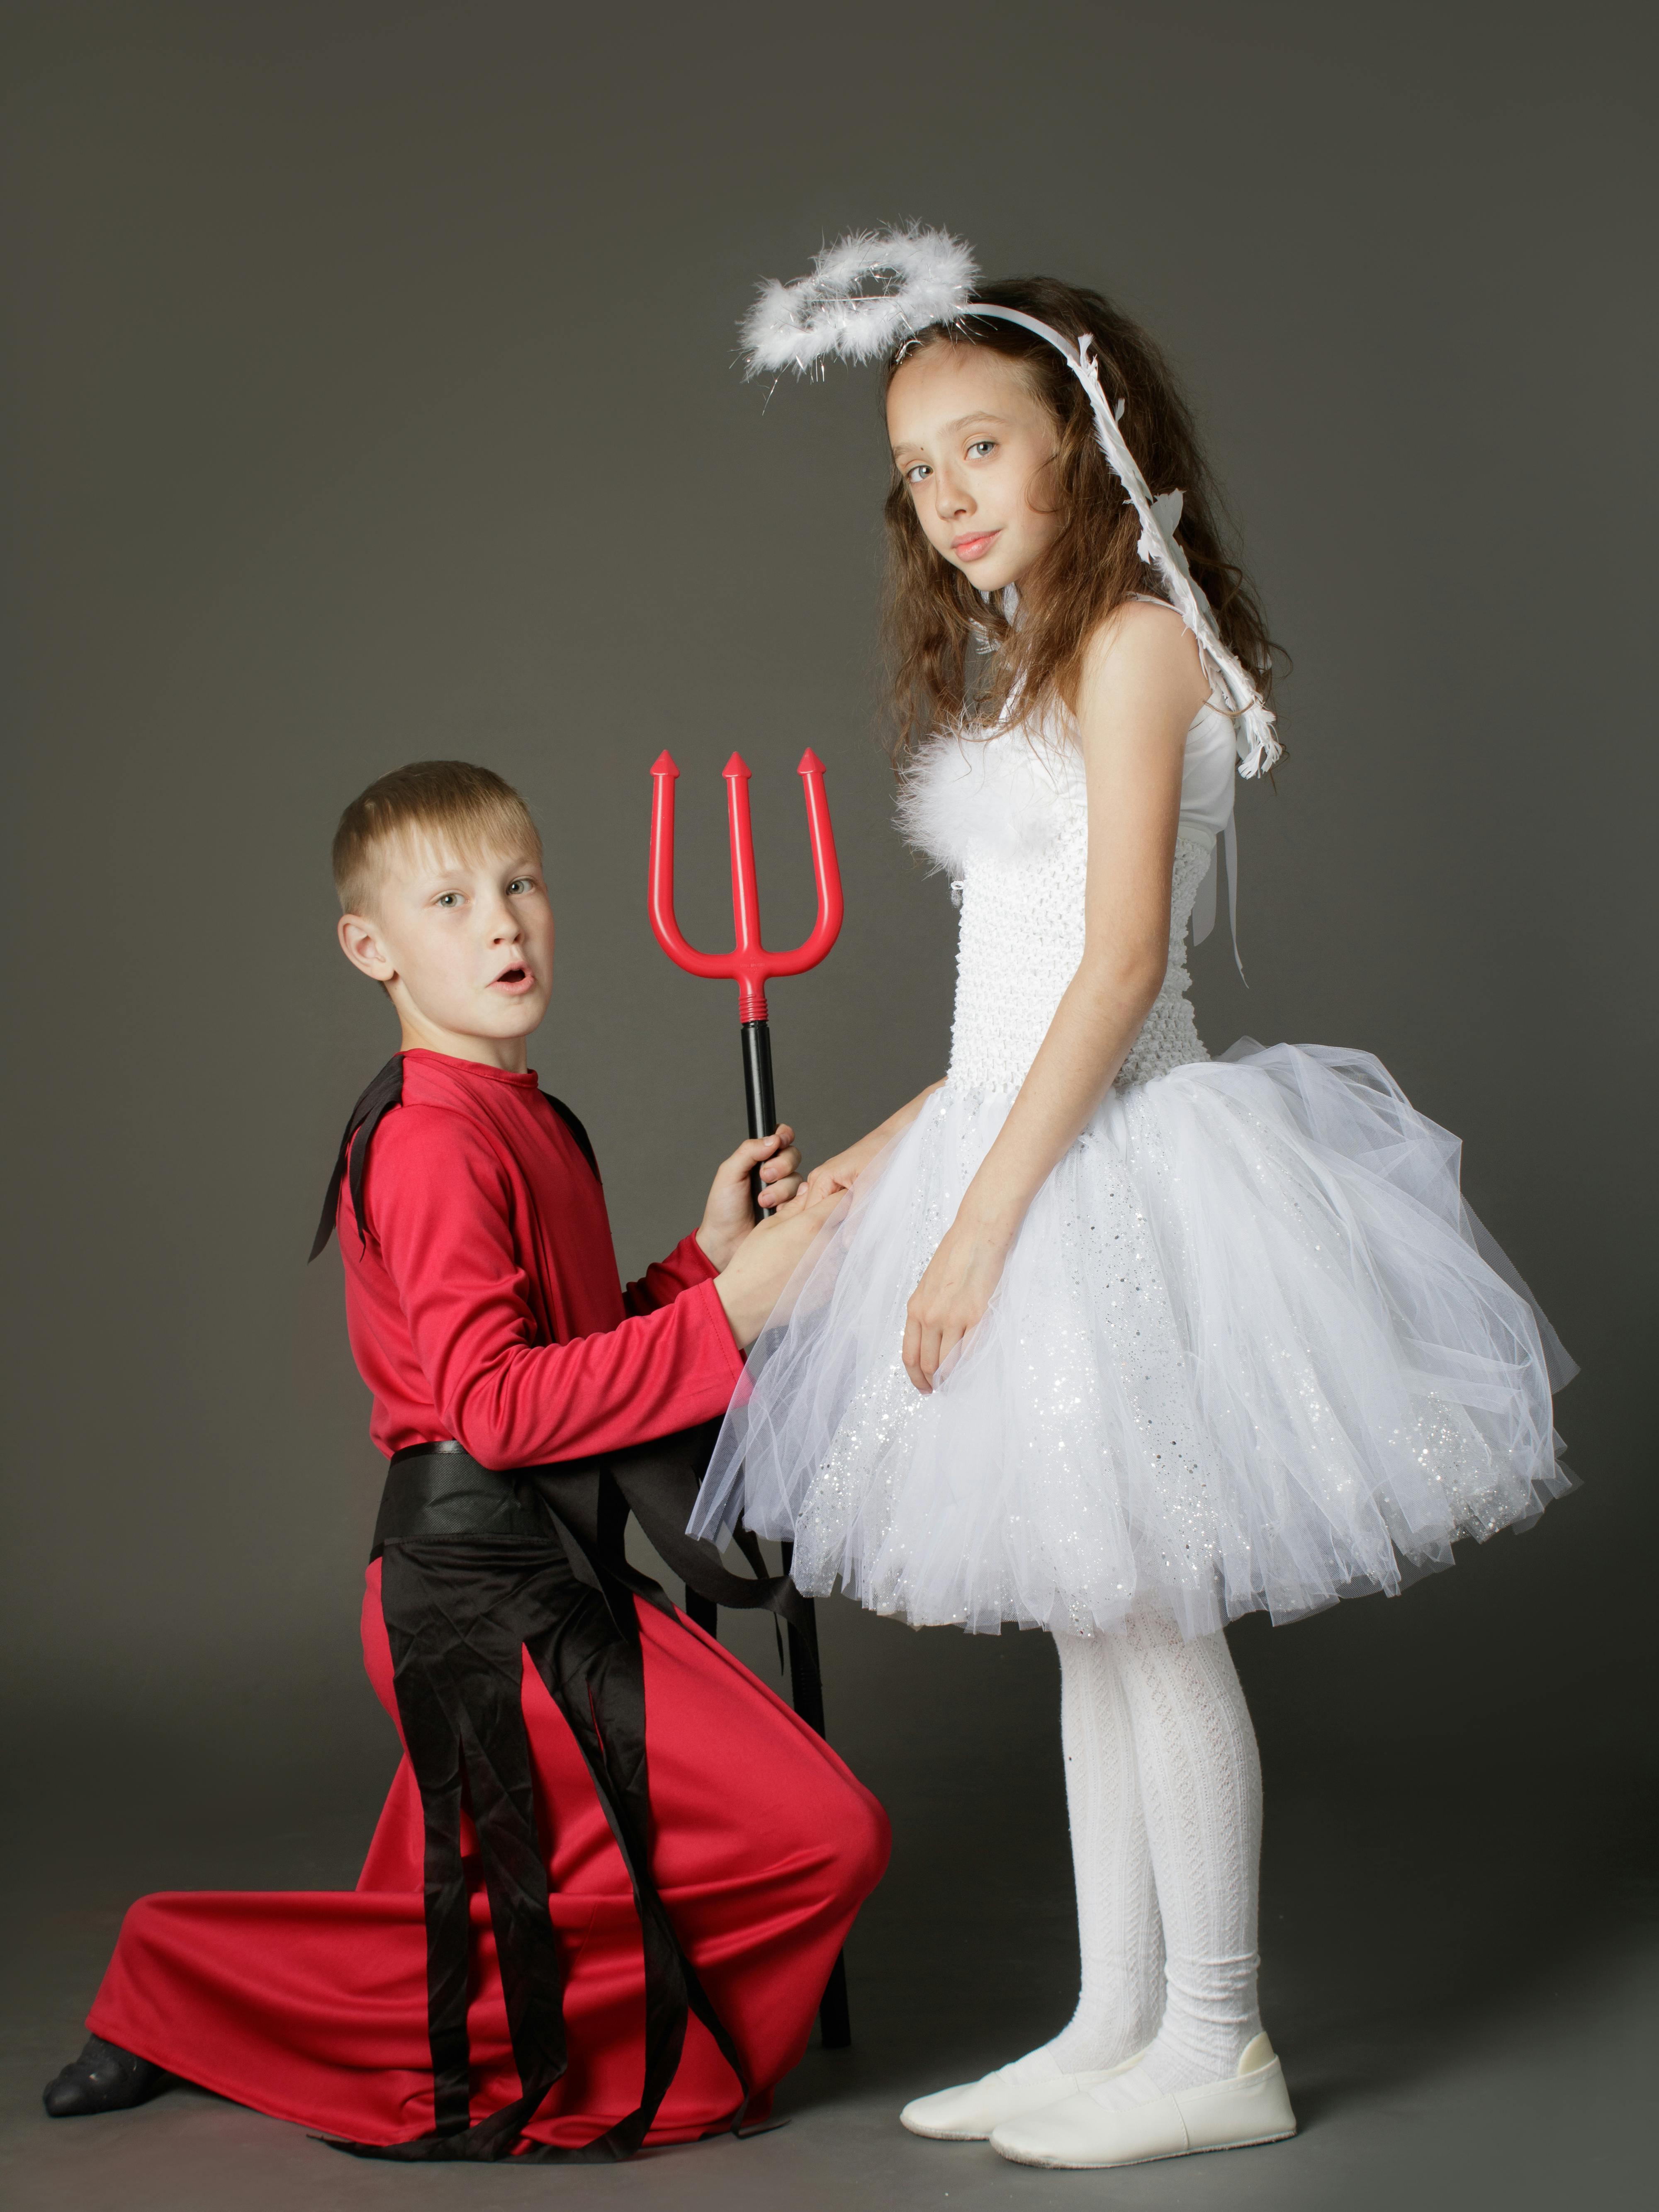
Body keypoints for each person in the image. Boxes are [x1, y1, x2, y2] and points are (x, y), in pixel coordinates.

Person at [693, 243, 1574, 2173]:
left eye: (982, 442)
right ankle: (1111, 2022)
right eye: (917, 466)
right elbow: (1006, 1001)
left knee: (1153, 1611)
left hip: (1111, 1168)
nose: (949, 493)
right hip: (1024, 1132)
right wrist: (880, 1155)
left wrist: (982, 1216)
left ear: (1088, 439)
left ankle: (1219, 2037)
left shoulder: (1136, 645)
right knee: (1097, 1615)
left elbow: (1110, 978)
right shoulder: (1037, 662)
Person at [44, 759, 886, 2160]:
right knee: (822, 1837)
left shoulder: (531, 1118)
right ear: (370, 948)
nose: (503, 925)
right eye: (450, 901)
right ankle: (184, 1978)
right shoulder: (431, 1137)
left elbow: (575, 1354)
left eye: (522, 884)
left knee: (477, 1924)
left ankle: (172, 1978)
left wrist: (704, 1264)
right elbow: (496, 1411)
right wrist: (738, 1317)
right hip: (476, 1597)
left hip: (539, 1567)